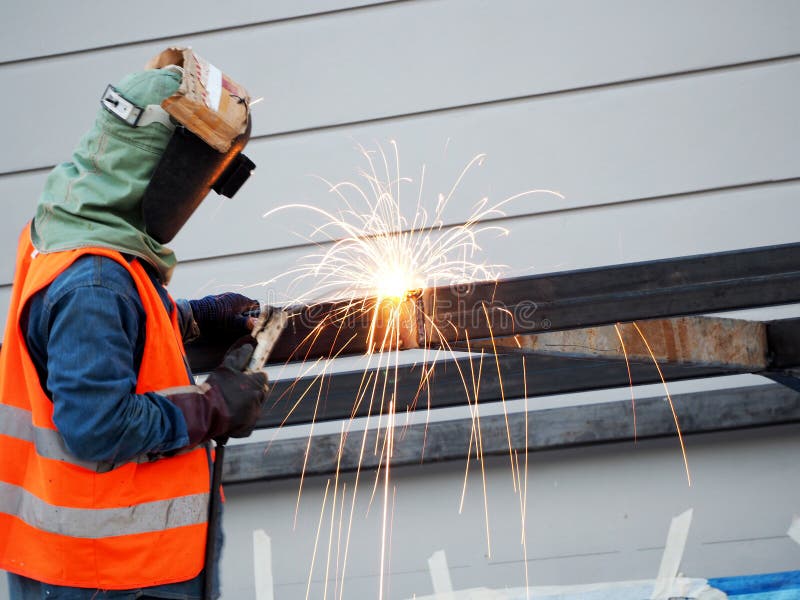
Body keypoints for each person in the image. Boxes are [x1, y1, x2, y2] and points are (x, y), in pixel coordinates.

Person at [0, 51, 265, 599]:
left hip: (104, 564)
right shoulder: (94, 282)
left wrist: (193, 318)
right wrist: (213, 407)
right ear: (162, 172)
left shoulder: (72, 233)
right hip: (111, 574)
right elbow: (99, 426)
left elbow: (105, 340)